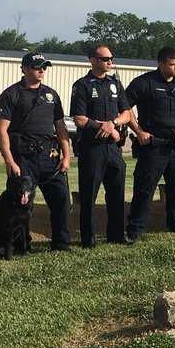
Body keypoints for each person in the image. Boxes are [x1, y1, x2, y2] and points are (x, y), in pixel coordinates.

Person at [0, 52, 73, 251]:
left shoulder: (51, 94)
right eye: (37, 67)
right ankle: (21, 244)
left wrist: (66, 155)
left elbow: (60, 126)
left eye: (44, 67)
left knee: (61, 199)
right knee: (21, 203)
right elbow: (1, 130)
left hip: (49, 156)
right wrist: (10, 161)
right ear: (24, 69)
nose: (42, 70)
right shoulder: (11, 94)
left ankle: (61, 242)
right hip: (23, 157)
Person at [125, 46, 175, 239]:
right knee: (144, 189)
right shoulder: (144, 83)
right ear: (161, 64)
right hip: (153, 147)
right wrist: (139, 131)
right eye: (172, 64)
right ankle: (135, 230)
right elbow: (125, 108)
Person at [70, 44, 133, 247]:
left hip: (114, 148)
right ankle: (88, 239)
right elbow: (79, 118)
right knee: (89, 196)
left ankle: (116, 235)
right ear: (93, 60)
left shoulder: (115, 84)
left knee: (116, 193)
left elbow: (127, 113)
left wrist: (113, 124)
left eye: (111, 59)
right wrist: (102, 126)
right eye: (106, 59)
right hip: (92, 148)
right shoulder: (82, 85)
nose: (110, 62)